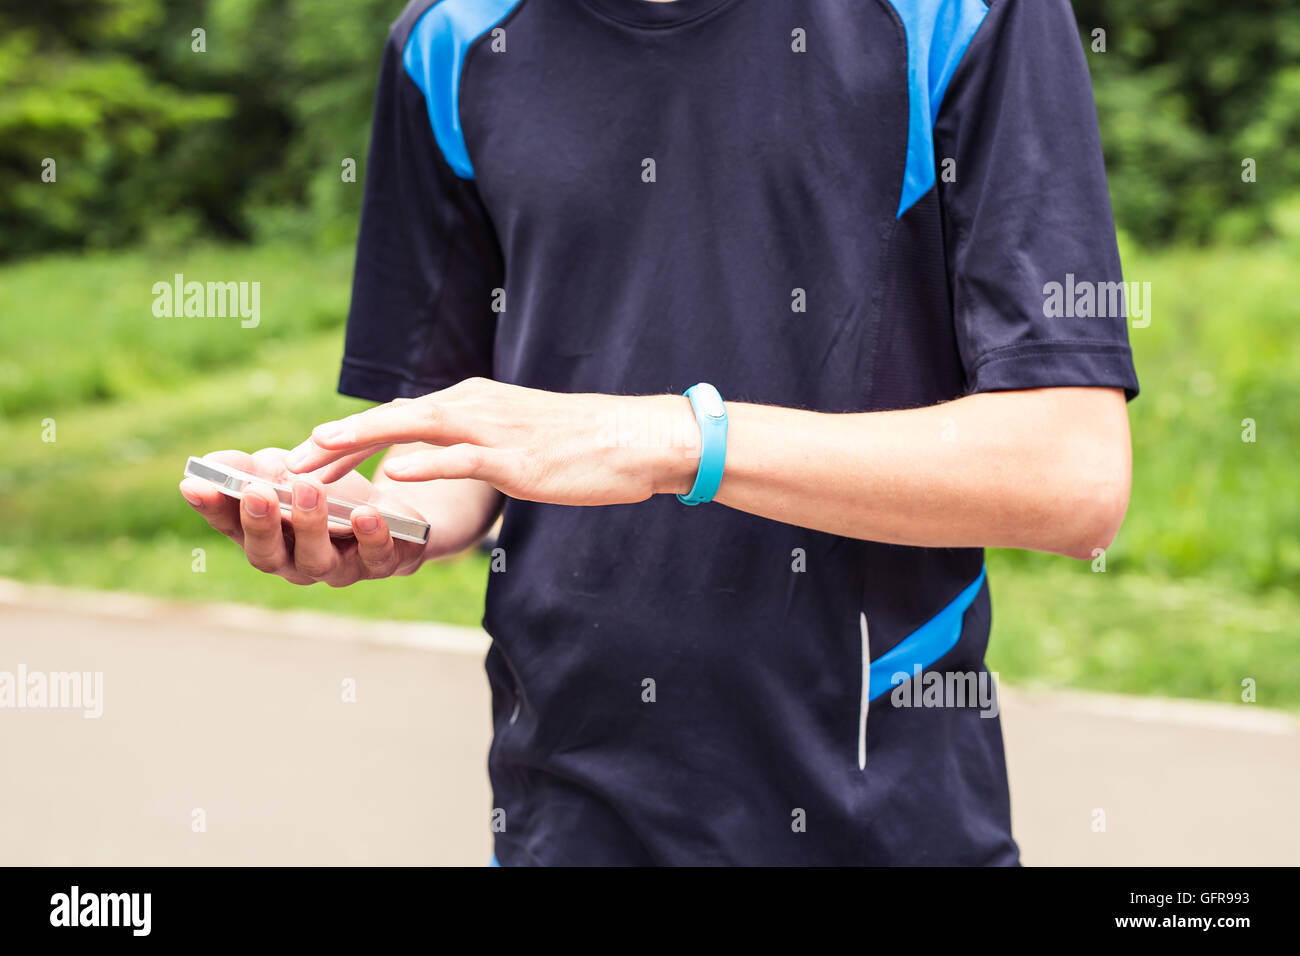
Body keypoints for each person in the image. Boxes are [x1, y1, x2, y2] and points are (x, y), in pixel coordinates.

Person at [180, 0, 1138, 865]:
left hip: (877, 817)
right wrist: (372, 514)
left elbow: (1069, 475)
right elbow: (462, 442)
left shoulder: (963, 13)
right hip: (562, 807)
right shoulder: (448, 39)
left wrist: (673, 441)